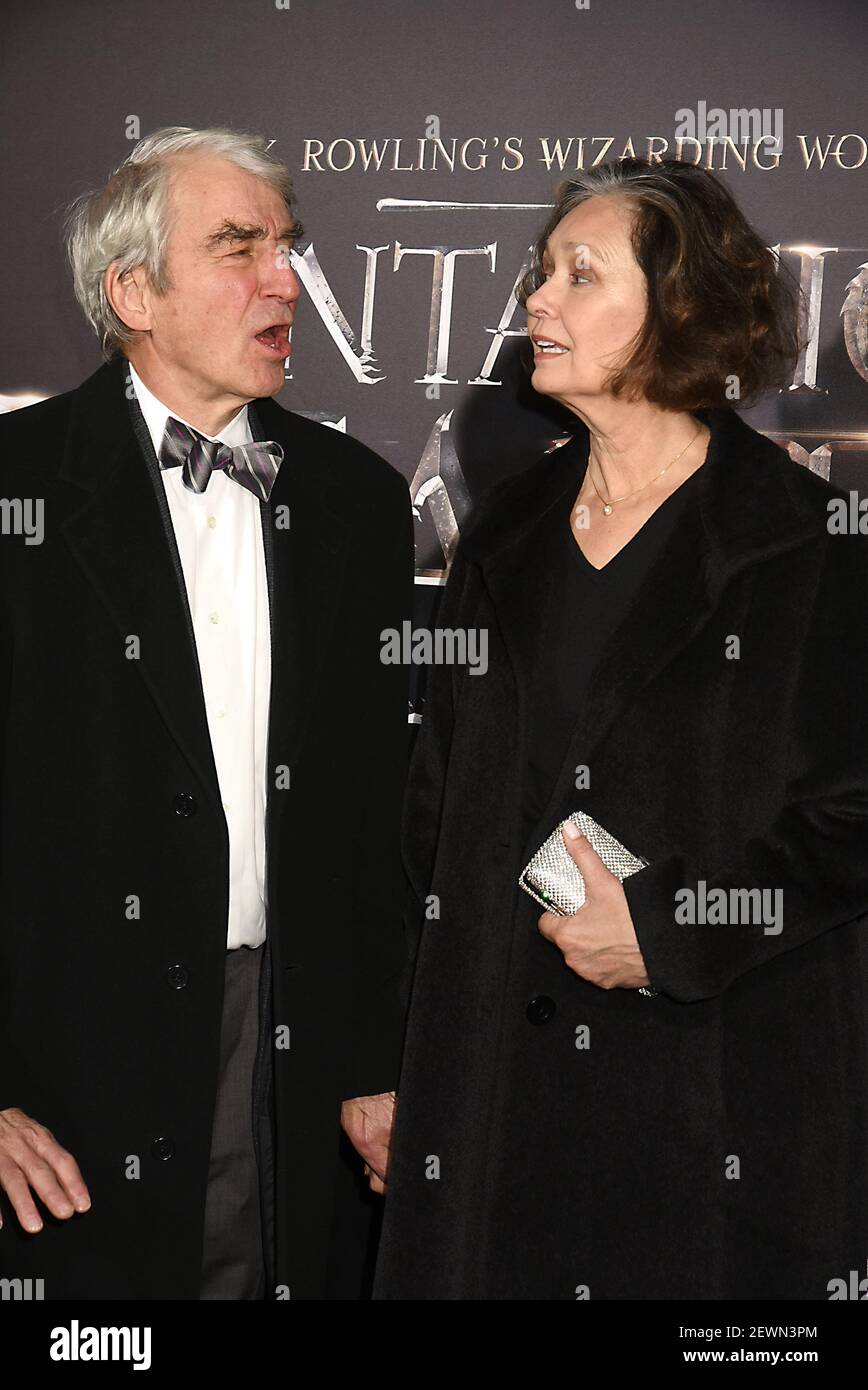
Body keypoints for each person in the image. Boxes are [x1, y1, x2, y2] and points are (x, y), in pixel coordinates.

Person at [374, 157, 868, 1300]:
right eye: (542, 271)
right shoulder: (505, 530)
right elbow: (430, 815)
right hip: (489, 1097)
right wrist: (397, 1066)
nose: (535, 301)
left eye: (578, 275)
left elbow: (851, 816)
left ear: (680, 309)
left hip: (707, 1109)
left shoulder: (806, 543)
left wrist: (675, 930)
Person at [0, 126, 413, 1300]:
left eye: (289, 248)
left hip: (293, 1051)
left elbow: (382, 814)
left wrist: (377, 1055)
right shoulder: (15, 488)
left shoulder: (358, 504)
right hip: (58, 1070)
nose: (287, 281)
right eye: (241, 248)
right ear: (133, 290)